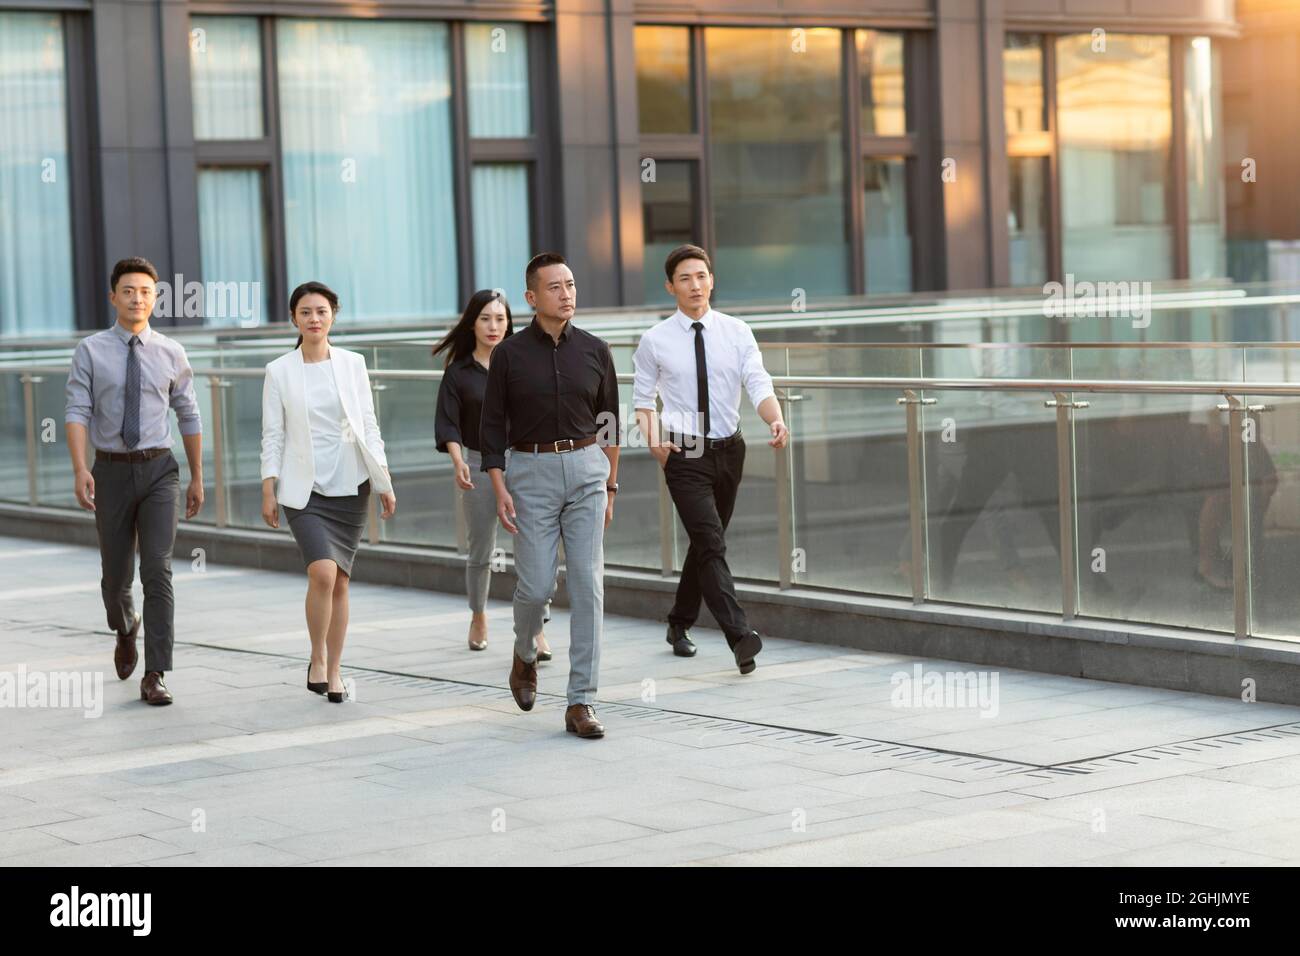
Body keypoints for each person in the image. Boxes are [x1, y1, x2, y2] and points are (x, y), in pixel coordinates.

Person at [479, 253, 620, 739]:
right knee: (535, 586)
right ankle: (524, 656)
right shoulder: (510, 355)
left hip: (587, 472)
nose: (567, 294)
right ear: (532, 297)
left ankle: (582, 701)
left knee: (588, 584)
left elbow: (610, 424)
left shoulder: (597, 351)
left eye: (572, 285)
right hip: (530, 472)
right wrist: (499, 485)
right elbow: (492, 425)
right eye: (555, 287)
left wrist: (611, 482)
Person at [632, 244, 789, 673]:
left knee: (706, 542)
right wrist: (654, 442)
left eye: (701, 276)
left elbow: (757, 381)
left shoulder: (737, 332)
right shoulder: (655, 340)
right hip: (686, 451)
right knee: (712, 543)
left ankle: (679, 623)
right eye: (685, 278)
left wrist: (774, 419)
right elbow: (643, 402)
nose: (695, 285)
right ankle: (740, 636)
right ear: (670, 287)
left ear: (712, 280)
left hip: (730, 449)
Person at [64, 256, 205, 706]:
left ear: (156, 297)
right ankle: (125, 628)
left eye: (145, 291)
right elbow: (76, 411)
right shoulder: (90, 350)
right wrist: (80, 468)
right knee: (115, 577)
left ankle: (156, 673)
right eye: (128, 290)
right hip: (109, 470)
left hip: (160, 469)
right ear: (113, 297)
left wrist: (198, 476)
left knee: (157, 569)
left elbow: (189, 413)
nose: (137, 298)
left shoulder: (171, 352)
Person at [260, 281, 397, 703]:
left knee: (339, 582)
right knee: (321, 572)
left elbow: (368, 425)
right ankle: (316, 655)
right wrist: (269, 488)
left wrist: (384, 481)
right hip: (304, 490)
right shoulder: (279, 370)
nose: (314, 319)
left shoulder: (353, 364)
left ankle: (334, 670)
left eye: (321, 311)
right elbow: (272, 435)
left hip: (350, 485)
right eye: (305, 312)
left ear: (333, 315)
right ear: (294, 319)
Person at [434, 289, 555, 656]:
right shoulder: (458, 373)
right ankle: (479, 614)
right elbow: (448, 424)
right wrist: (458, 461)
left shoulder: (521, 362)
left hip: (523, 462)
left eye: (500, 319)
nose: (493, 326)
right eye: (485, 318)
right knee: (482, 548)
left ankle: (535, 629)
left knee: (533, 546)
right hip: (478, 465)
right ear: (472, 322)